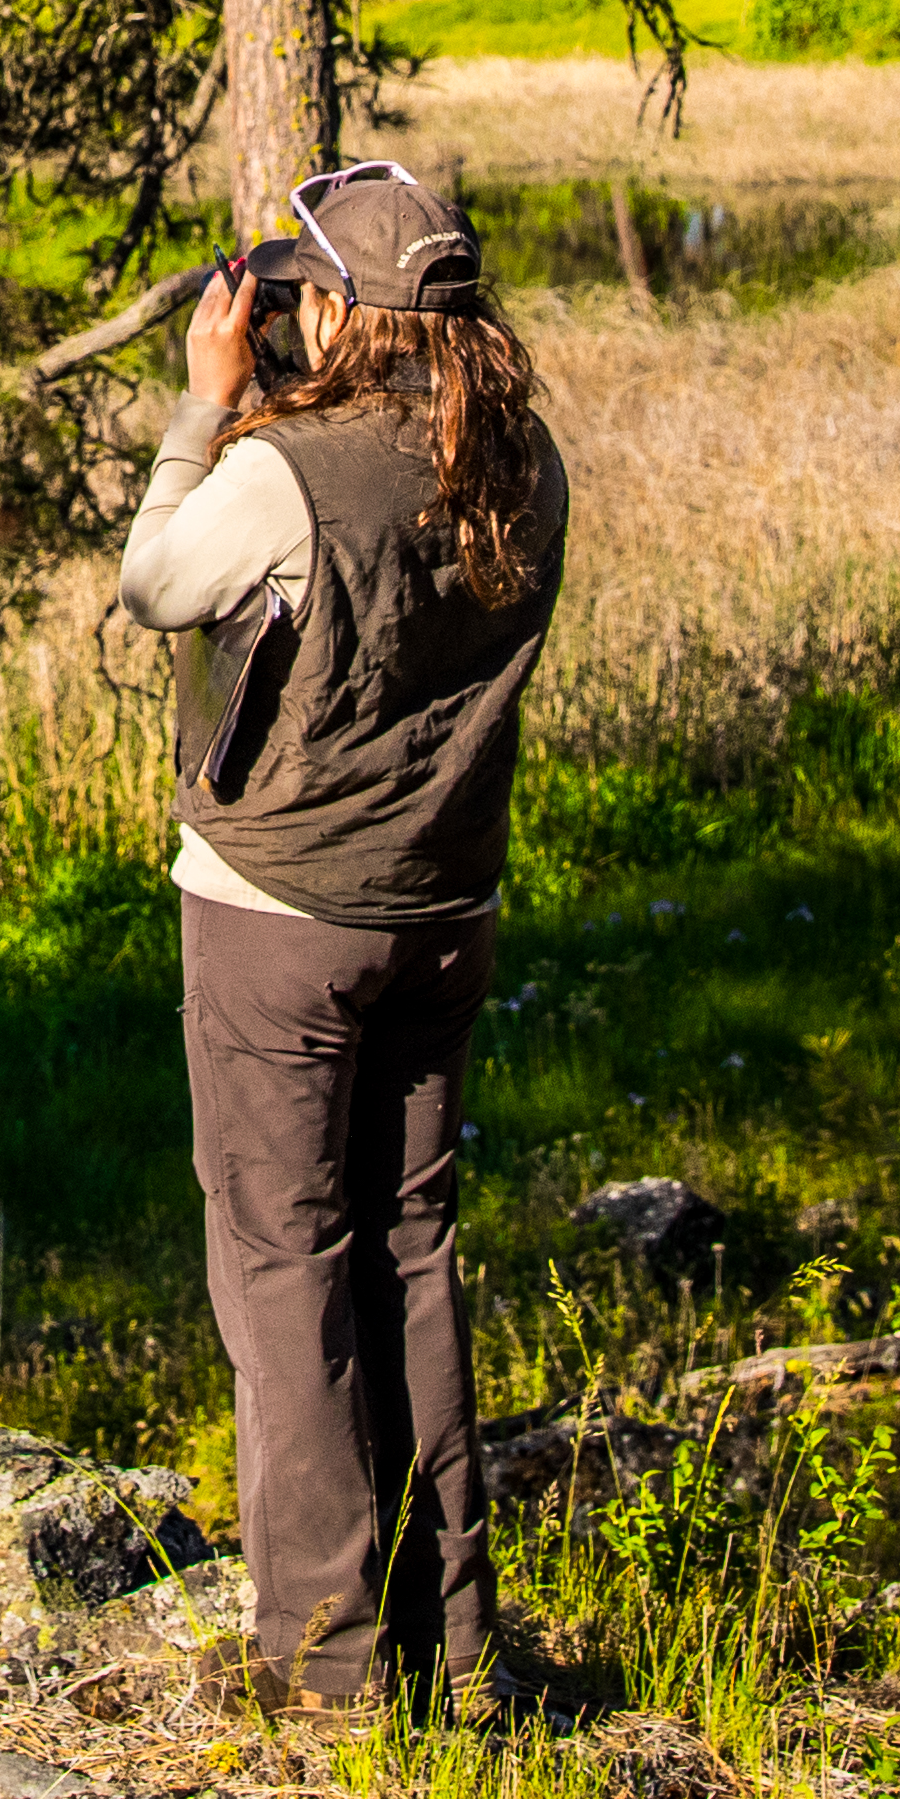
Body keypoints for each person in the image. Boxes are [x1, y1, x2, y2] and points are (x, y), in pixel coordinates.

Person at [110, 156, 570, 1716]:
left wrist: (209, 405)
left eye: (295, 292)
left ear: (335, 313)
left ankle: (329, 1671)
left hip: (280, 920)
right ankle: (458, 1645)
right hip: (446, 909)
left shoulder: (285, 476)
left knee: (286, 1269)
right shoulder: (527, 463)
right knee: (412, 1255)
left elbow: (156, 586)